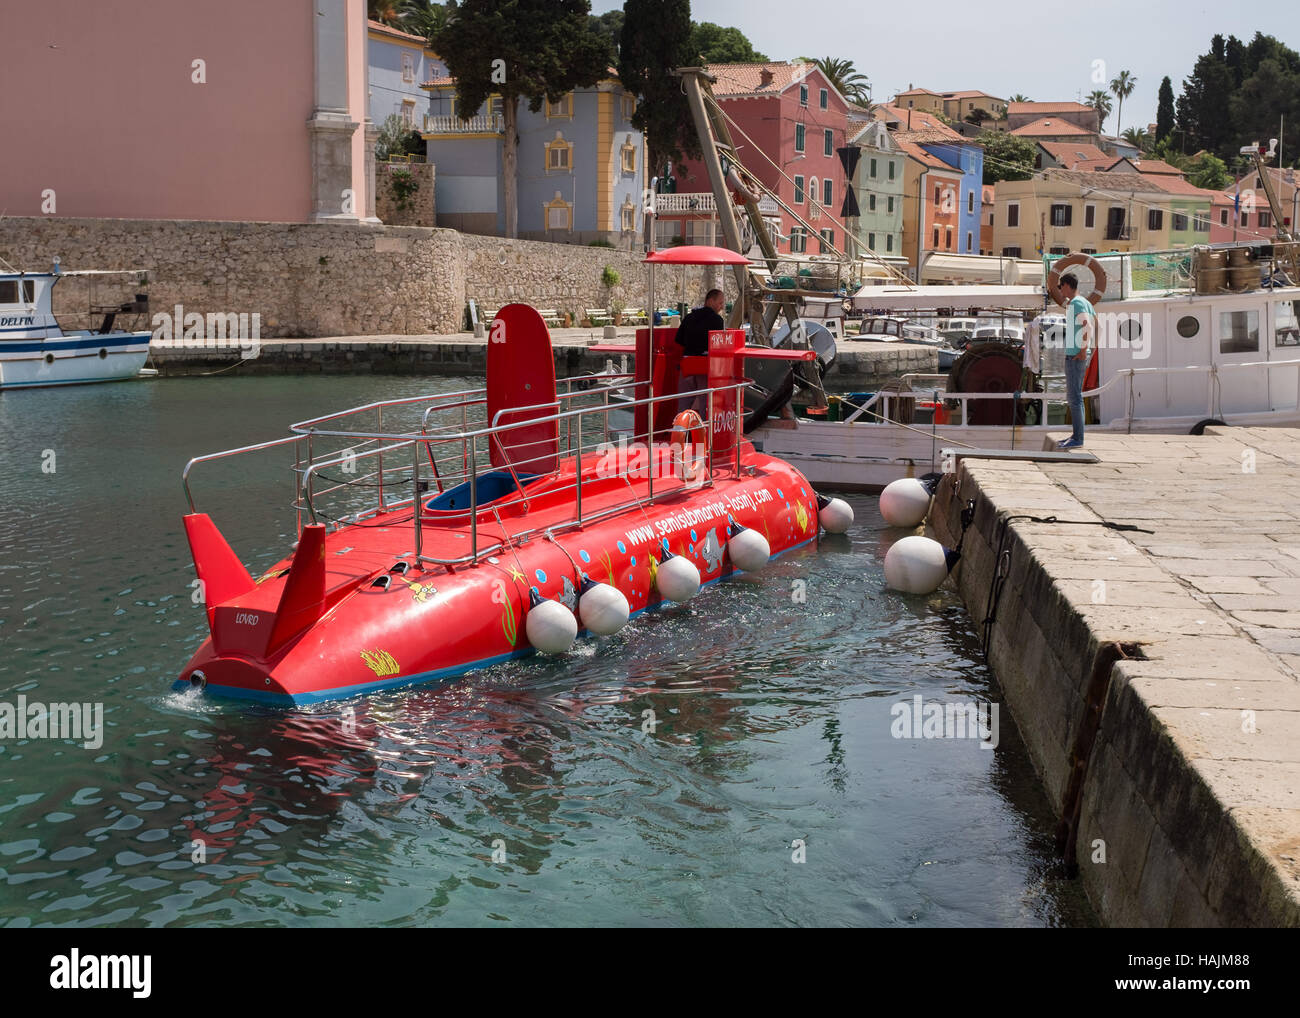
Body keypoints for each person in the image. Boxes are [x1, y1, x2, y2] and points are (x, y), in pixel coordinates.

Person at [1058, 273, 1095, 449]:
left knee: (1074, 398)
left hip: (1075, 356)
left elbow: (1086, 325)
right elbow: (1096, 325)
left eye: (1061, 286)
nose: (1060, 290)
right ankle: (1075, 435)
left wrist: (1082, 351)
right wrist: (1089, 349)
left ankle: (1078, 438)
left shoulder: (1076, 303)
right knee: (1075, 397)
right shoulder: (1086, 302)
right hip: (1077, 355)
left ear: (1066, 285)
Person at [674, 288, 724, 413]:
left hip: (687, 364)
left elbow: (678, 340)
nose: (722, 306)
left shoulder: (689, 317)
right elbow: (718, 346)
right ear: (711, 301)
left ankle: (680, 430)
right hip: (704, 365)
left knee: (683, 403)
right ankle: (703, 431)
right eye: (720, 303)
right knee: (704, 403)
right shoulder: (718, 321)